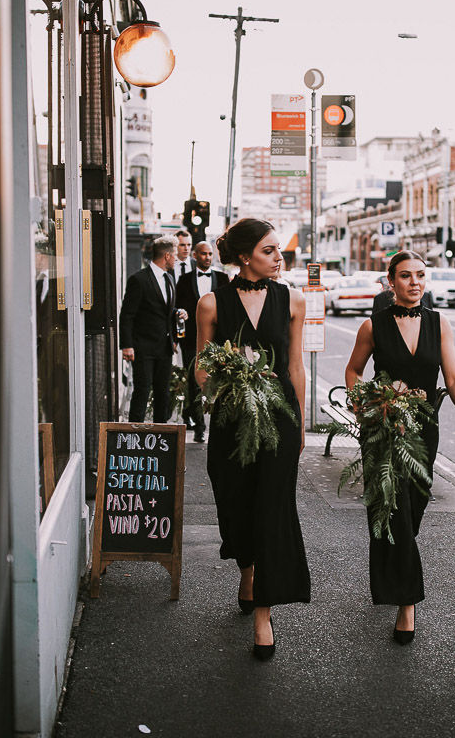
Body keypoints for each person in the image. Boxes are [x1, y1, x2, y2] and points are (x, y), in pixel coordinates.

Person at [342, 250, 455, 646]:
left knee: (413, 509)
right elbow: (354, 370)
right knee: (394, 508)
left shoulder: (440, 324)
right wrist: (364, 402)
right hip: (384, 430)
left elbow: (453, 376)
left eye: (421, 275)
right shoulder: (373, 326)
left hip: (424, 429)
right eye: (405, 276)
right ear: (391, 281)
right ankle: (407, 604)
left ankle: (390, 578)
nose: (415, 282)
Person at [195, 218, 310, 660]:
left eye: (279, 249)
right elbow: (202, 367)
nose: (279, 258)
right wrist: (227, 385)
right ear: (245, 257)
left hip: (280, 420)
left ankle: (264, 613)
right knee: (236, 504)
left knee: (273, 510)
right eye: (269, 250)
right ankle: (247, 568)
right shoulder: (211, 304)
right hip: (231, 421)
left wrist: (299, 422)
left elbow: (295, 366)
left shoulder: (293, 299)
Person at [120, 235, 178, 423]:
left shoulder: (169, 279)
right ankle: (133, 435)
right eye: (175, 254)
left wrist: (178, 312)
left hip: (165, 347)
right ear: (167, 256)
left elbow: (162, 307)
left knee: (163, 393)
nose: (177, 259)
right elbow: (127, 314)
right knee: (142, 391)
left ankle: (162, 434)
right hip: (143, 347)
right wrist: (127, 345)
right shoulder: (138, 279)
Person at [175, 241, 228, 442]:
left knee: (218, 382)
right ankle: (199, 427)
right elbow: (177, 308)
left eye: (210, 254)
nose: (207, 257)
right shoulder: (184, 280)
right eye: (203, 254)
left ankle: (218, 425)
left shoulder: (223, 279)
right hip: (191, 340)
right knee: (195, 385)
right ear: (195, 256)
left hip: (218, 341)